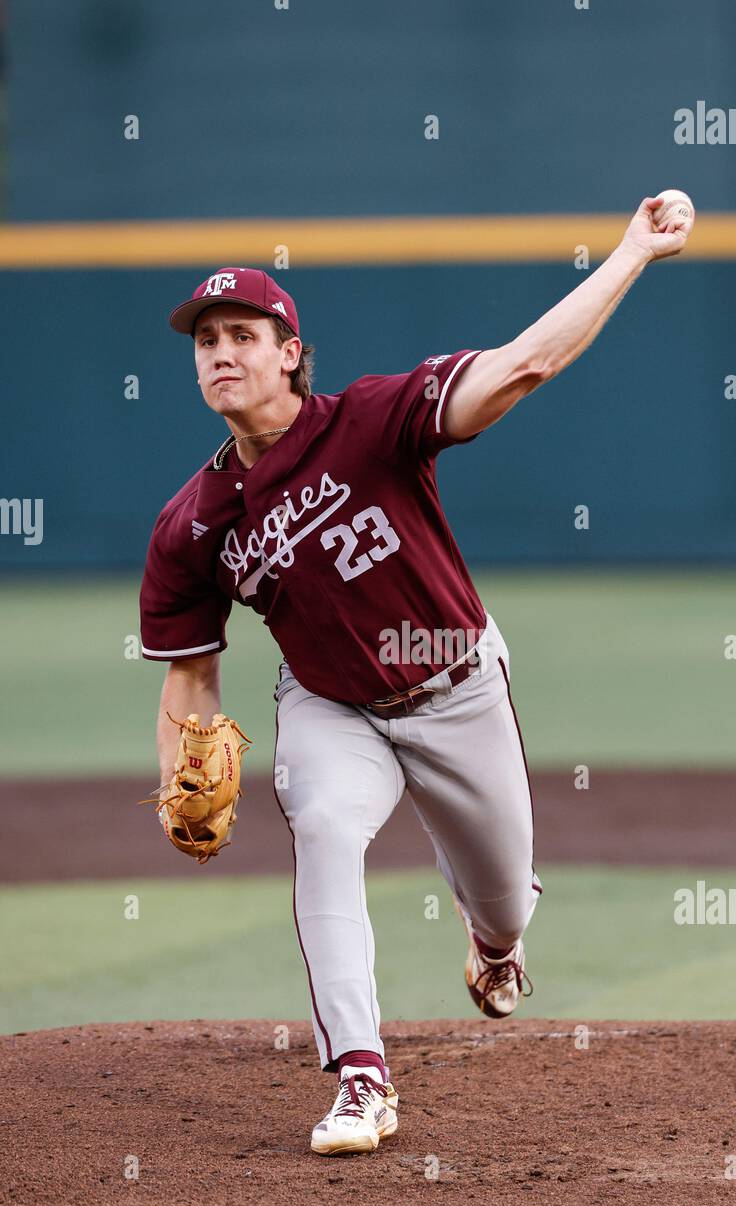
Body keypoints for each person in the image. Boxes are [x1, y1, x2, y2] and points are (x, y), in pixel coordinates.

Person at [139, 196, 692, 1155]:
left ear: (290, 353)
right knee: (321, 830)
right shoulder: (191, 522)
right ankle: (361, 1077)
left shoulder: (373, 419)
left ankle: (495, 948)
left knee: (506, 895)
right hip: (330, 704)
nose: (219, 352)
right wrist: (176, 772)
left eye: (243, 334)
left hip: (457, 683)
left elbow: (524, 365)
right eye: (205, 340)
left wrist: (634, 249)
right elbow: (190, 673)